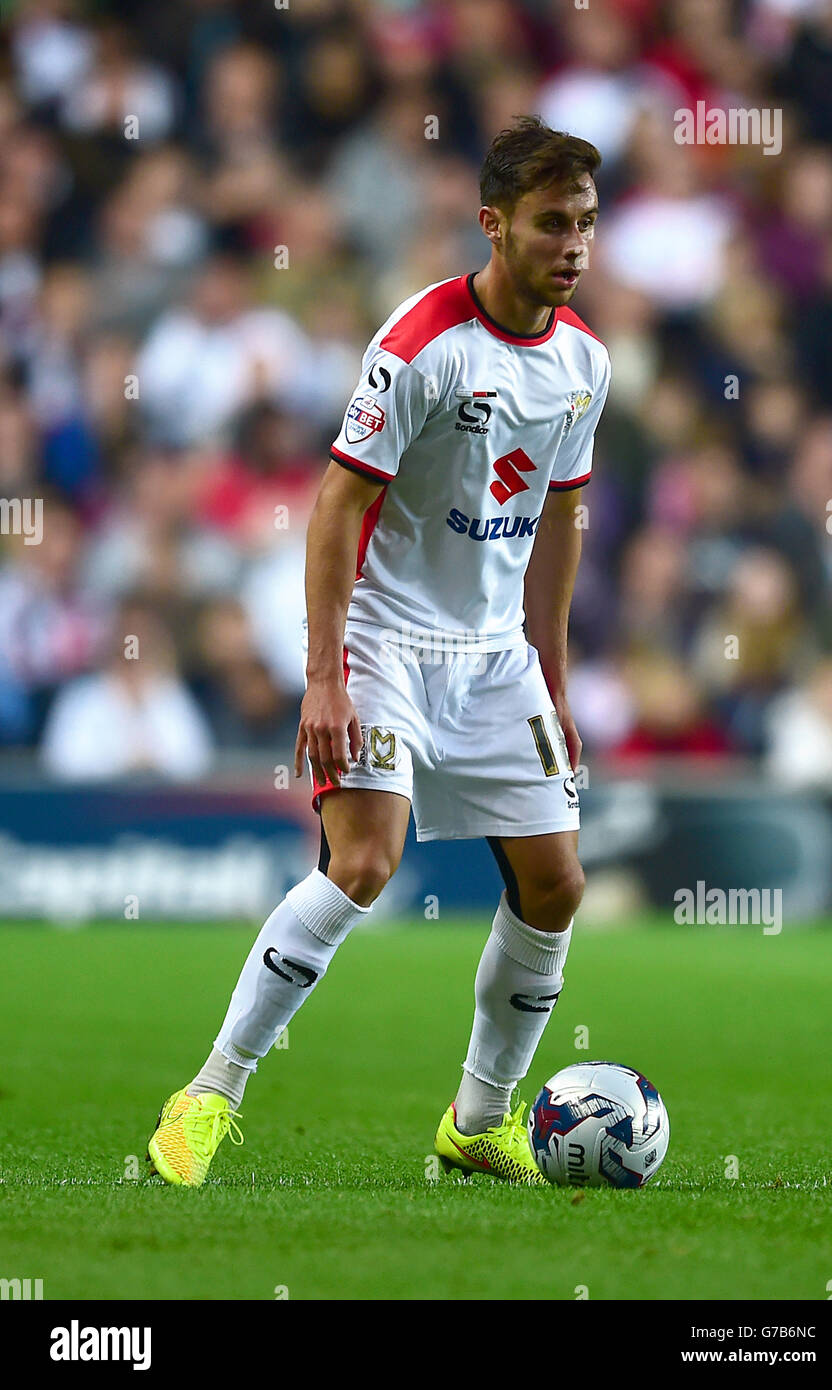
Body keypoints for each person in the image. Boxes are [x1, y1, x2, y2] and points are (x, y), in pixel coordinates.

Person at [147, 116, 611, 1187]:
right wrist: (323, 673)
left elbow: (559, 522)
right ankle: (211, 1089)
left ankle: (476, 1120)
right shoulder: (420, 345)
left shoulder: (584, 363)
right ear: (493, 226)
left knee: (555, 886)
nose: (573, 245)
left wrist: (553, 669)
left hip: (495, 655)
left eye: (586, 223)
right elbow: (334, 504)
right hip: (384, 637)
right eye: (551, 223)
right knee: (361, 863)